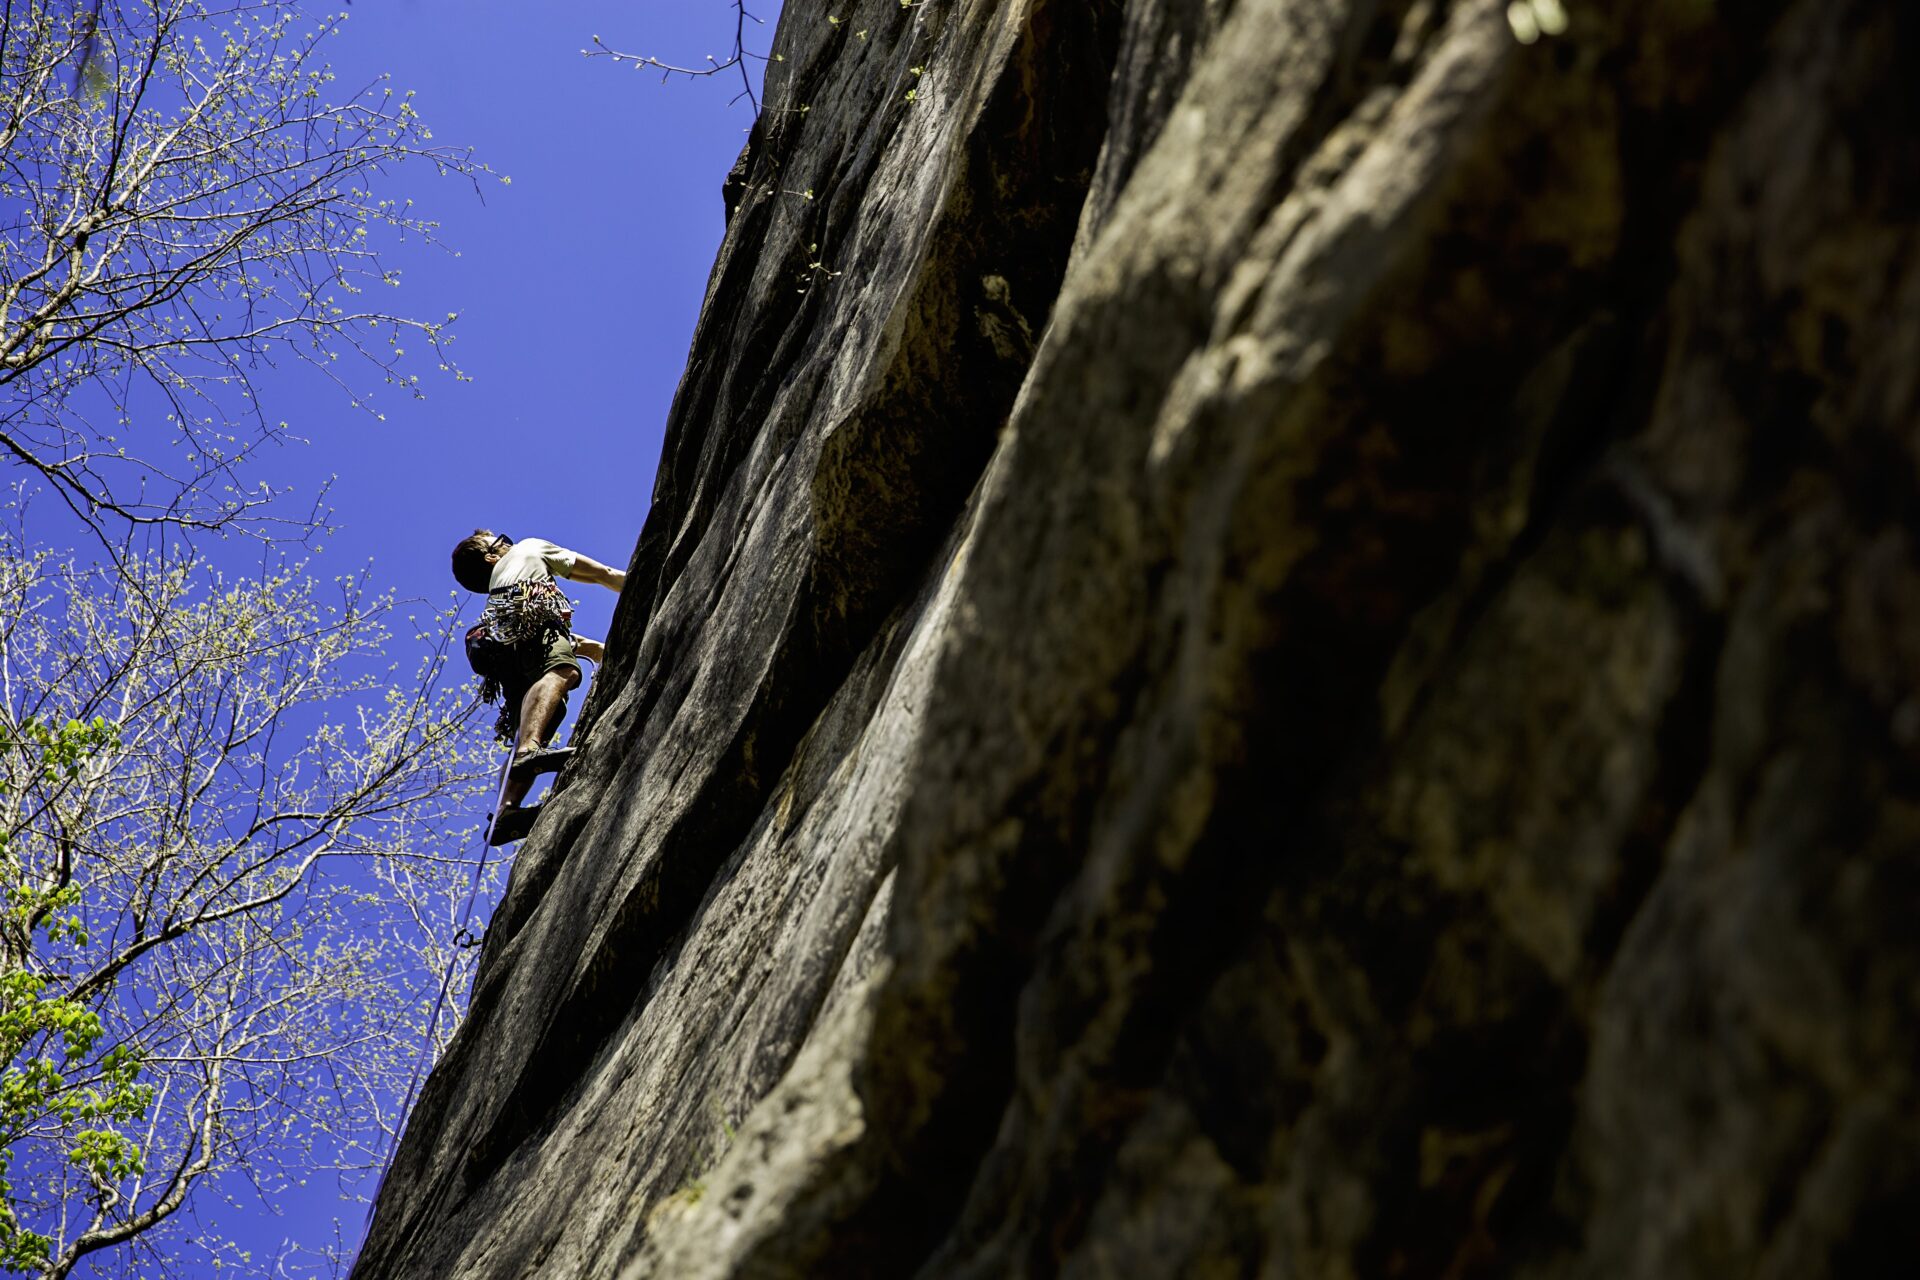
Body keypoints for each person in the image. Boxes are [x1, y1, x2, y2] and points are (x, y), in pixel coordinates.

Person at [451, 530, 626, 844]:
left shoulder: (498, 597)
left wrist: (597, 650)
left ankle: (506, 811)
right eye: (501, 540)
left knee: (545, 711)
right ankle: (531, 752)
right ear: (492, 556)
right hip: (533, 622)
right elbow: (604, 574)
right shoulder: (528, 548)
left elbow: (557, 642)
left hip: (506, 654)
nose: (508, 541)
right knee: (563, 672)